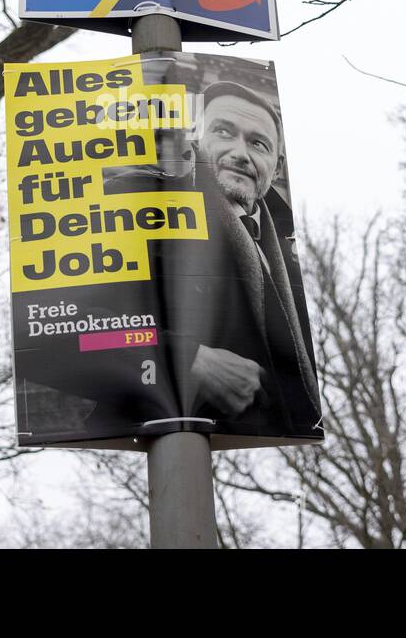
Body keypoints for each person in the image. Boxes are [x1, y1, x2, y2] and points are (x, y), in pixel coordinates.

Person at [105, 80, 323, 440]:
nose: (241, 152)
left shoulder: (291, 251)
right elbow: (72, 330)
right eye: (224, 132)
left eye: (258, 143)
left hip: (267, 452)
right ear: (194, 139)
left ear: (277, 164)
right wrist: (188, 360)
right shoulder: (138, 199)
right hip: (151, 437)